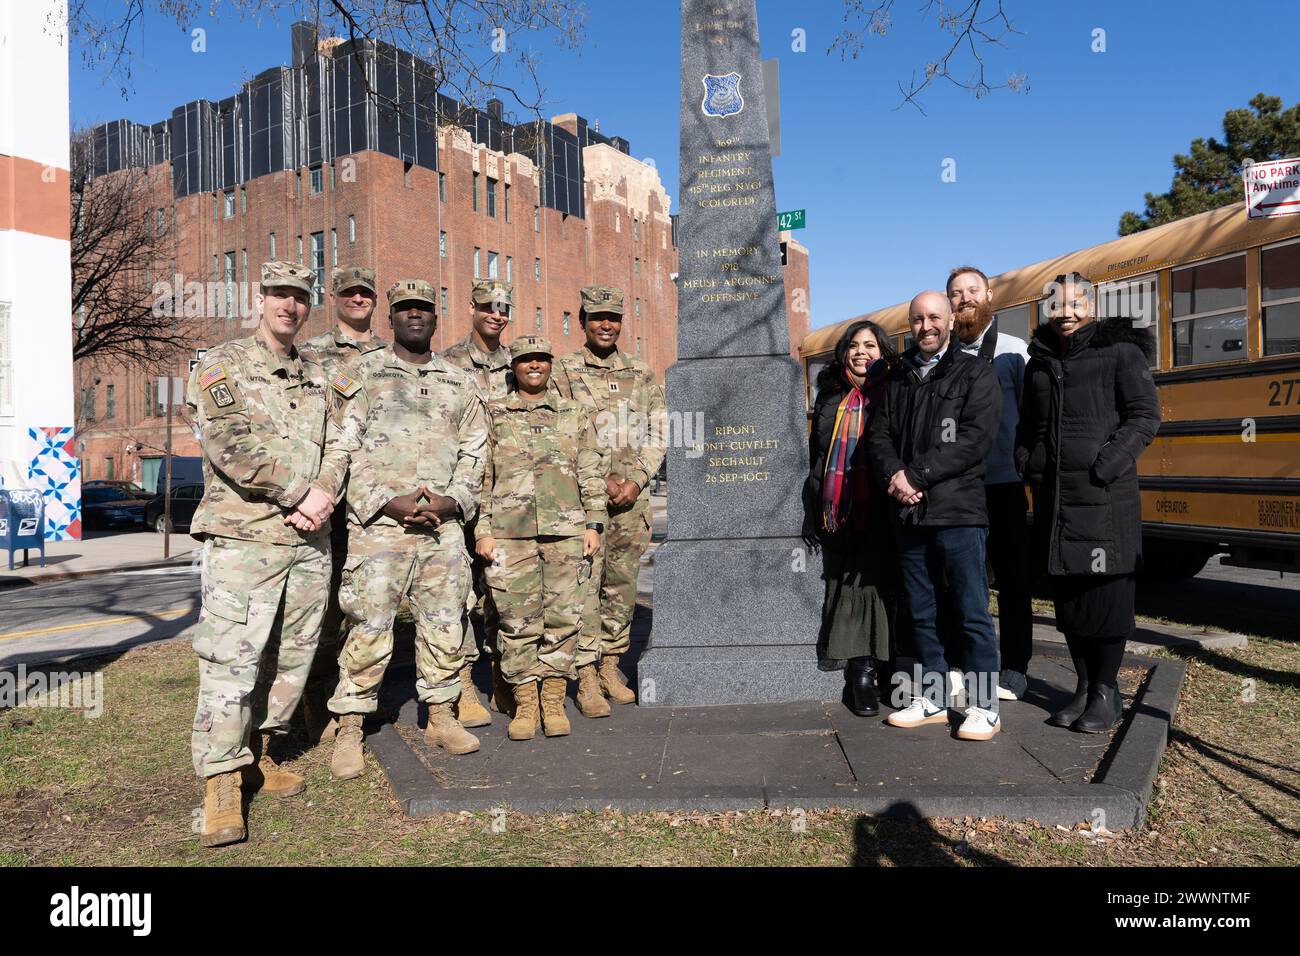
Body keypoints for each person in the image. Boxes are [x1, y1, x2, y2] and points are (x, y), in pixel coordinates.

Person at [185, 260, 351, 848]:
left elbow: (341, 442)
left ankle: (259, 750)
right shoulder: (220, 366)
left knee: (292, 656)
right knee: (231, 658)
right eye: (279, 294)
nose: (289, 305)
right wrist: (300, 491)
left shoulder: (320, 376)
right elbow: (230, 445)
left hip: (308, 541)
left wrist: (324, 494)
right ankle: (221, 781)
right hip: (245, 539)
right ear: (259, 300)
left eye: (299, 297)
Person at [327, 278, 488, 779]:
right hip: (379, 529)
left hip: (441, 529)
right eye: (404, 309)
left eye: (424, 309)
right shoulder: (362, 374)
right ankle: (351, 725)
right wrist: (386, 502)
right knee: (368, 626)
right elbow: (340, 448)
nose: (414, 316)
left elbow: (475, 450)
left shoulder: (459, 381)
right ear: (390, 317)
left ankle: (440, 715)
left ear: (436, 318)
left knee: (444, 623)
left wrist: (453, 500)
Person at [1016, 272, 1159, 733]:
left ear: (1092, 306)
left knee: (1107, 597)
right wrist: (1029, 462)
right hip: (1057, 500)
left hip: (1104, 498)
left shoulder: (1121, 351)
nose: (1067, 313)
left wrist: (1106, 465)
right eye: (1057, 305)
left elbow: (1144, 416)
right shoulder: (1038, 362)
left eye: (1076, 304)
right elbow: (1028, 425)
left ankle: (1106, 691)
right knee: (1070, 599)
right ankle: (1081, 687)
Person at [866, 290, 1003, 741]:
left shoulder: (975, 373)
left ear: (949, 321)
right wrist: (896, 476)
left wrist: (917, 476)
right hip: (910, 516)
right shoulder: (900, 377)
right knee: (921, 613)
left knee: (971, 613)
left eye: (933, 318)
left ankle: (984, 707)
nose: (925, 326)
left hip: (959, 514)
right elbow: (879, 436)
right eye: (917, 319)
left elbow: (974, 440)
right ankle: (934, 697)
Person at [474, 335, 607, 739]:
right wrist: (482, 529)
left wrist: (594, 521)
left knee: (565, 618)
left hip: (566, 533)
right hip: (509, 535)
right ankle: (526, 704)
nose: (535, 366)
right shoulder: (493, 413)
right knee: (516, 622)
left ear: (550, 365)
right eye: (525, 360)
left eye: (541, 359)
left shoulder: (575, 413)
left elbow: (590, 467)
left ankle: (553, 700)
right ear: (513, 367)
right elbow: (481, 475)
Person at [550, 285, 667, 712]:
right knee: (583, 585)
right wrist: (596, 484)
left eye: (613, 317)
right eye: (597, 316)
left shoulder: (641, 373)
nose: (605, 324)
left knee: (620, 586)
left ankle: (611, 663)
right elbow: (558, 435)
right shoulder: (562, 371)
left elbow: (660, 429)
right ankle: (584, 673)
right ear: (582, 321)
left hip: (631, 503)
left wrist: (637, 478)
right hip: (584, 503)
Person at [296, 265, 387, 743]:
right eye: (350, 293)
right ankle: (316, 701)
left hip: (375, 504)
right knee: (323, 607)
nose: (358, 300)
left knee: (366, 606)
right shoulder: (310, 355)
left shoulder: (388, 356)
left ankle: (356, 699)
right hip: (329, 498)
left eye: (365, 294)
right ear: (334, 297)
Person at [947, 266, 1033, 701]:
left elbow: (1035, 416)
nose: (965, 299)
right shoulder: (943, 359)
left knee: (1014, 581)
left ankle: (1015, 665)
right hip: (959, 489)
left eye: (972, 291)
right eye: (957, 293)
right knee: (964, 579)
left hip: (1004, 483)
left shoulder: (1016, 352)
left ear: (989, 296)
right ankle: (963, 660)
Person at [803, 320, 898, 716]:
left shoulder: (895, 391)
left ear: (883, 352)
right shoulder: (829, 397)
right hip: (839, 510)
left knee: (884, 588)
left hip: (884, 506)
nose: (862, 352)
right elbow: (816, 457)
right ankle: (861, 673)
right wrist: (812, 509)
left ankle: (891, 669)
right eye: (854, 346)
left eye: (870, 345)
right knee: (850, 586)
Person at [441, 278, 514, 723]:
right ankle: (463, 685)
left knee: (501, 594)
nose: (496, 314)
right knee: (457, 596)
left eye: (503, 307)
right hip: (461, 491)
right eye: (488, 306)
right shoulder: (447, 362)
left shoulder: (518, 362)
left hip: (506, 495)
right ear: (471, 307)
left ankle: (502, 680)